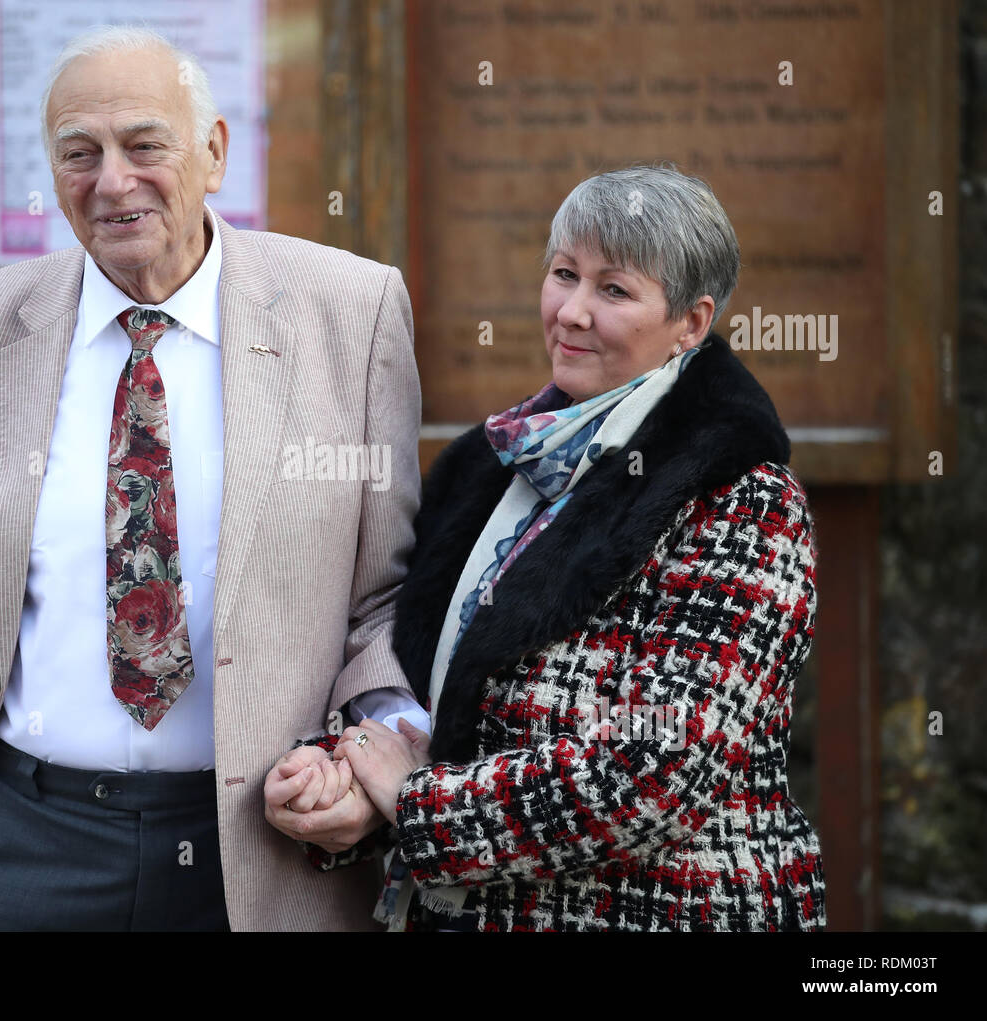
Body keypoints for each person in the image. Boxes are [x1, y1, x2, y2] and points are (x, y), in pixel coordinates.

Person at [0, 24, 424, 931]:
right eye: (78, 153)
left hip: (265, 854)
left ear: (213, 152)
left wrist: (370, 765)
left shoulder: (349, 314)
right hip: (9, 851)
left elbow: (386, 598)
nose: (112, 181)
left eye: (144, 144)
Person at [289, 165, 826, 931]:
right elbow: (430, 697)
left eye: (614, 290)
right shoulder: (494, 464)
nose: (571, 312)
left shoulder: (741, 498)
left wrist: (413, 805)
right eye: (564, 274)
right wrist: (338, 776)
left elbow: (658, 769)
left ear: (692, 323)